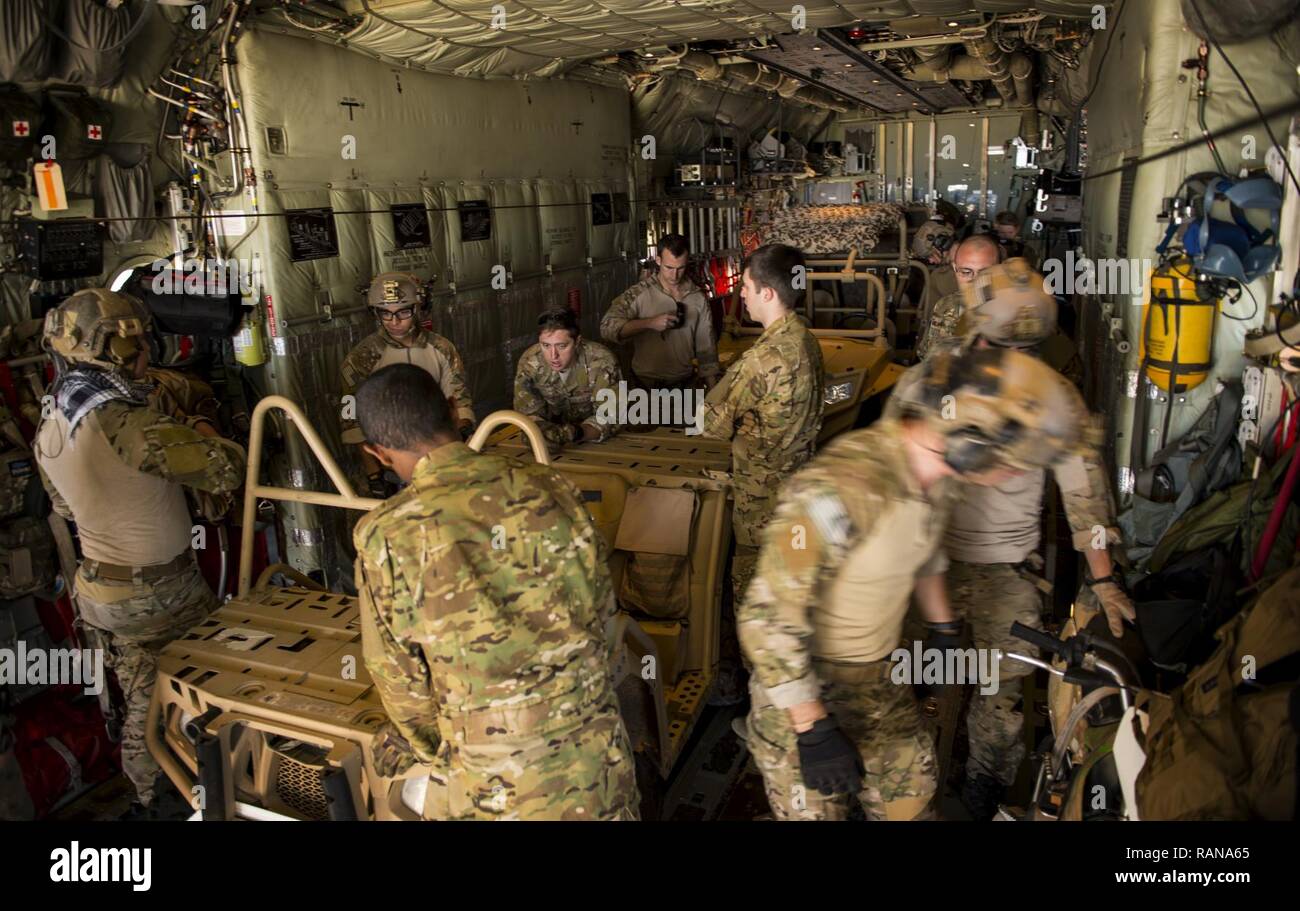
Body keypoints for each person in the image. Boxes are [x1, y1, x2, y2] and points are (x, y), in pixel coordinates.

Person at [740, 345, 1089, 821]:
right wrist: (811, 727)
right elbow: (766, 619)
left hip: (876, 679)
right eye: (1013, 462)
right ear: (968, 442)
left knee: (912, 801)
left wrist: (944, 630)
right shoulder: (844, 486)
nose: (1018, 473)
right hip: (801, 690)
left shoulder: (939, 475)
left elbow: (926, 556)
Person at [899, 259, 1134, 819]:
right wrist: (1102, 578)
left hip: (976, 572)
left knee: (980, 699)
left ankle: (961, 792)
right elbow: (1086, 502)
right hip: (942, 567)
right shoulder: (1046, 395)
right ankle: (933, 791)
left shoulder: (938, 381)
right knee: (960, 694)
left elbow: (1085, 500)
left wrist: (1103, 579)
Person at [352, 363, 639, 820]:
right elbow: (604, 620)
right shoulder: (554, 487)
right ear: (451, 409)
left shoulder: (384, 536)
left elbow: (401, 685)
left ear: (379, 454)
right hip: (596, 764)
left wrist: (428, 751)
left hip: (493, 785)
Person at [34, 288, 245, 817]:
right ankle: (206, 792)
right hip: (159, 593)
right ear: (118, 349)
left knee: (143, 696)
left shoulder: (54, 416)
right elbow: (227, 468)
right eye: (143, 346)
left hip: (102, 590)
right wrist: (199, 424)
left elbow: (61, 504)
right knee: (212, 679)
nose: (149, 356)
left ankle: (151, 798)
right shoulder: (125, 423)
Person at [699, 243, 825, 610]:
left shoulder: (761, 359)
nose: (742, 294)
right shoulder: (807, 341)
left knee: (758, 611)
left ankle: (757, 668)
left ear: (767, 293)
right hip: (799, 500)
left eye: (746, 288)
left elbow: (710, 423)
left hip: (760, 512)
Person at [340, 272, 475, 494]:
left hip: (443, 458)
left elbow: (460, 404)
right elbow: (352, 423)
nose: (394, 322)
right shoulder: (361, 358)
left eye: (403, 312)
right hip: (392, 461)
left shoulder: (442, 349)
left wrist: (456, 453)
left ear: (418, 308)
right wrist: (374, 476)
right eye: (385, 314)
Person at [601, 233, 721, 391]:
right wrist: (649, 323)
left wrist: (713, 395)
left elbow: (707, 349)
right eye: (669, 268)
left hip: (685, 386)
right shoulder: (638, 293)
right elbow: (606, 327)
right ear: (658, 261)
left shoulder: (697, 298)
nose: (674, 275)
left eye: (680, 268)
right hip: (646, 388)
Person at [513, 307, 622, 451]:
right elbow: (528, 413)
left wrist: (573, 434)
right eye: (546, 345)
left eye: (562, 346)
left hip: (595, 438)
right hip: (552, 444)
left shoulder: (601, 361)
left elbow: (610, 417)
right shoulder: (530, 362)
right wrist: (540, 432)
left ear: (577, 342)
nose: (553, 356)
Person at [916, 233, 1002, 360]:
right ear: (955, 269)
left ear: (999, 270)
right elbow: (929, 359)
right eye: (966, 272)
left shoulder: (1013, 310)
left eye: (984, 273)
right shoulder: (946, 306)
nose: (975, 281)